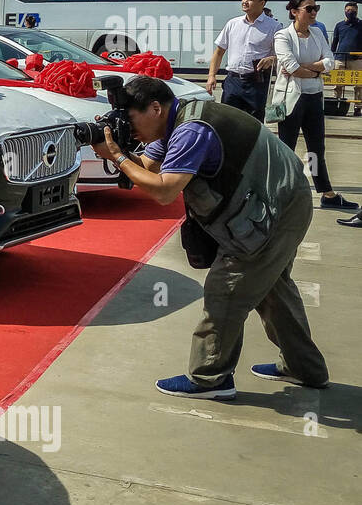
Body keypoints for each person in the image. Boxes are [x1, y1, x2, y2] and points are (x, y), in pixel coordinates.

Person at [91, 76, 329, 398]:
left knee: (227, 288)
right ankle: (305, 368)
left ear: (155, 108)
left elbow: (164, 190)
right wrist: (113, 152)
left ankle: (210, 378)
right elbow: (147, 166)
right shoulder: (178, 119)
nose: (129, 130)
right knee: (272, 290)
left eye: (130, 121)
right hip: (284, 199)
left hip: (276, 208)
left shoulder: (192, 131)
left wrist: (118, 157)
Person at [273, 0, 358, 211]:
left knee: (316, 148)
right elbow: (291, 67)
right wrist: (315, 71)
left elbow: (329, 61)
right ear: (294, 11)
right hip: (291, 98)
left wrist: (307, 69)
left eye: (316, 8)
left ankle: (327, 194)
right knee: (286, 147)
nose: (314, 12)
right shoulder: (283, 36)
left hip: (313, 97)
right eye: (309, 8)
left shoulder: (318, 33)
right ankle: (279, 192)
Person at [205, 0, 279, 117]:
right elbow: (219, 52)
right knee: (227, 121)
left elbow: (281, 55)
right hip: (233, 81)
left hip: (257, 83)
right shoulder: (232, 24)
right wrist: (211, 76)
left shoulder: (274, 27)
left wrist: (272, 59)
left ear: (262, 3)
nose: (245, 1)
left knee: (254, 124)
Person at [330, 0, 362, 115]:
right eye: (348, 10)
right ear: (344, 11)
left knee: (359, 85)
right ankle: (335, 104)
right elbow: (335, 41)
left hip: (357, 59)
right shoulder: (339, 25)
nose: (350, 12)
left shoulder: (361, 25)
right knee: (337, 83)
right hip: (340, 57)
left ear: (357, 11)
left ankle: (358, 107)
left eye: (353, 11)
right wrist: (331, 54)